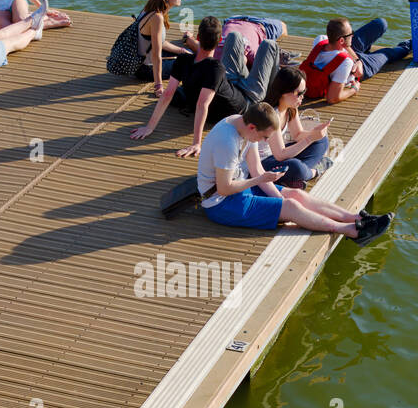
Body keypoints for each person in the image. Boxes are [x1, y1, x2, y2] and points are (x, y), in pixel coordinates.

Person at [197, 103, 393, 246]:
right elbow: (224, 188)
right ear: (252, 128)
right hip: (220, 203)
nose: (263, 141)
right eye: (265, 137)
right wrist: (262, 183)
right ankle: (353, 232)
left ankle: (354, 217)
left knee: (294, 195)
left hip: (239, 188)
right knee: (290, 206)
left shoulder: (245, 126)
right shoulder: (227, 142)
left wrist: (277, 196)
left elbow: (257, 170)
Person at [130, 15, 278, 159]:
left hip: (230, 83)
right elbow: (202, 105)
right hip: (247, 100)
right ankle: (273, 99)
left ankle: (247, 67)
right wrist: (196, 143)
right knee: (269, 45)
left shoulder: (183, 59)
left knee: (235, 36)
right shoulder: (216, 68)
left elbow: (167, 93)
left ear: (198, 37)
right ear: (219, 40)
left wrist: (149, 127)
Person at [301, 16, 411, 105]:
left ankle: (364, 52)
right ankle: (410, 45)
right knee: (387, 53)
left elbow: (342, 46)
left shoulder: (320, 40)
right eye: (350, 34)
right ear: (342, 40)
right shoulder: (344, 64)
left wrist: (357, 60)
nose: (353, 35)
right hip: (363, 68)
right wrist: (354, 89)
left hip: (352, 56)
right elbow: (332, 98)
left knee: (380, 23)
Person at [258, 66, 331, 188]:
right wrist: (310, 138)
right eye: (299, 93)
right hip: (262, 162)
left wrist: (315, 133)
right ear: (284, 91)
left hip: (278, 157)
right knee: (296, 167)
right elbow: (280, 154)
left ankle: (293, 177)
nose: (302, 96)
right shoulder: (271, 115)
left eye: (304, 91)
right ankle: (313, 172)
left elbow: (297, 135)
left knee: (321, 141)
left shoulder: (291, 108)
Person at [134, 0, 194, 95]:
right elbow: (156, 55)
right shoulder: (157, 17)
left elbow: (159, 43)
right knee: (191, 63)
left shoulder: (149, 8)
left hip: (141, 61)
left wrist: (181, 50)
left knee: (188, 54)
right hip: (146, 69)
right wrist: (158, 86)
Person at [213, 15, 288, 67]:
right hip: (232, 21)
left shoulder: (250, 52)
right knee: (283, 25)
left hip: (258, 25)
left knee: (283, 26)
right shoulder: (214, 52)